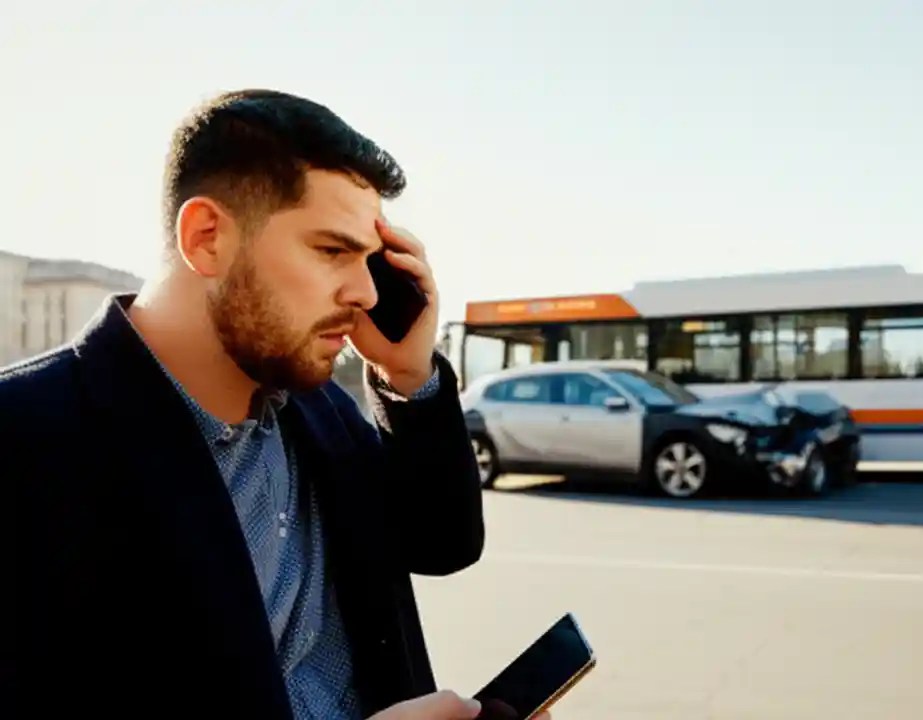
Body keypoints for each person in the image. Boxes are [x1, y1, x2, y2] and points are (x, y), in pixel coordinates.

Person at [0, 89, 546, 720]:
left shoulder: (316, 412)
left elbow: (442, 542)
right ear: (207, 238)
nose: (367, 292)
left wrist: (407, 374)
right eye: (333, 251)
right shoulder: (26, 441)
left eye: (373, 261)